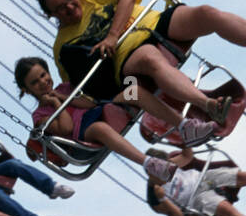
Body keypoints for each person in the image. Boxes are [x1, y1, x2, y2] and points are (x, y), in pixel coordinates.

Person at [35, 0, 246, 122]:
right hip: (129, 56)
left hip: (154, 23)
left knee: (208, 14)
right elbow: (79, 85)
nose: (71, 7)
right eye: (62, 8)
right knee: (151, 58)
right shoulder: (63, 45)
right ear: (52, 15)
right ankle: (208, 106)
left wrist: (111, 35)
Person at [17, 56, 195, 184]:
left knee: (133, 92)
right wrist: (56, 103)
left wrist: (62, 97)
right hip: (81, 136)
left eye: (43, 75)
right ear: (26, 89)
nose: (43, 82)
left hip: (96, 112)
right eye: (35, 82)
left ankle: (183, 124)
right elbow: (66, 128)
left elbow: (89, 103)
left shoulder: (64, 88)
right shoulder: (39, 116)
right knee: (99, 129)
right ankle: (149, 163)